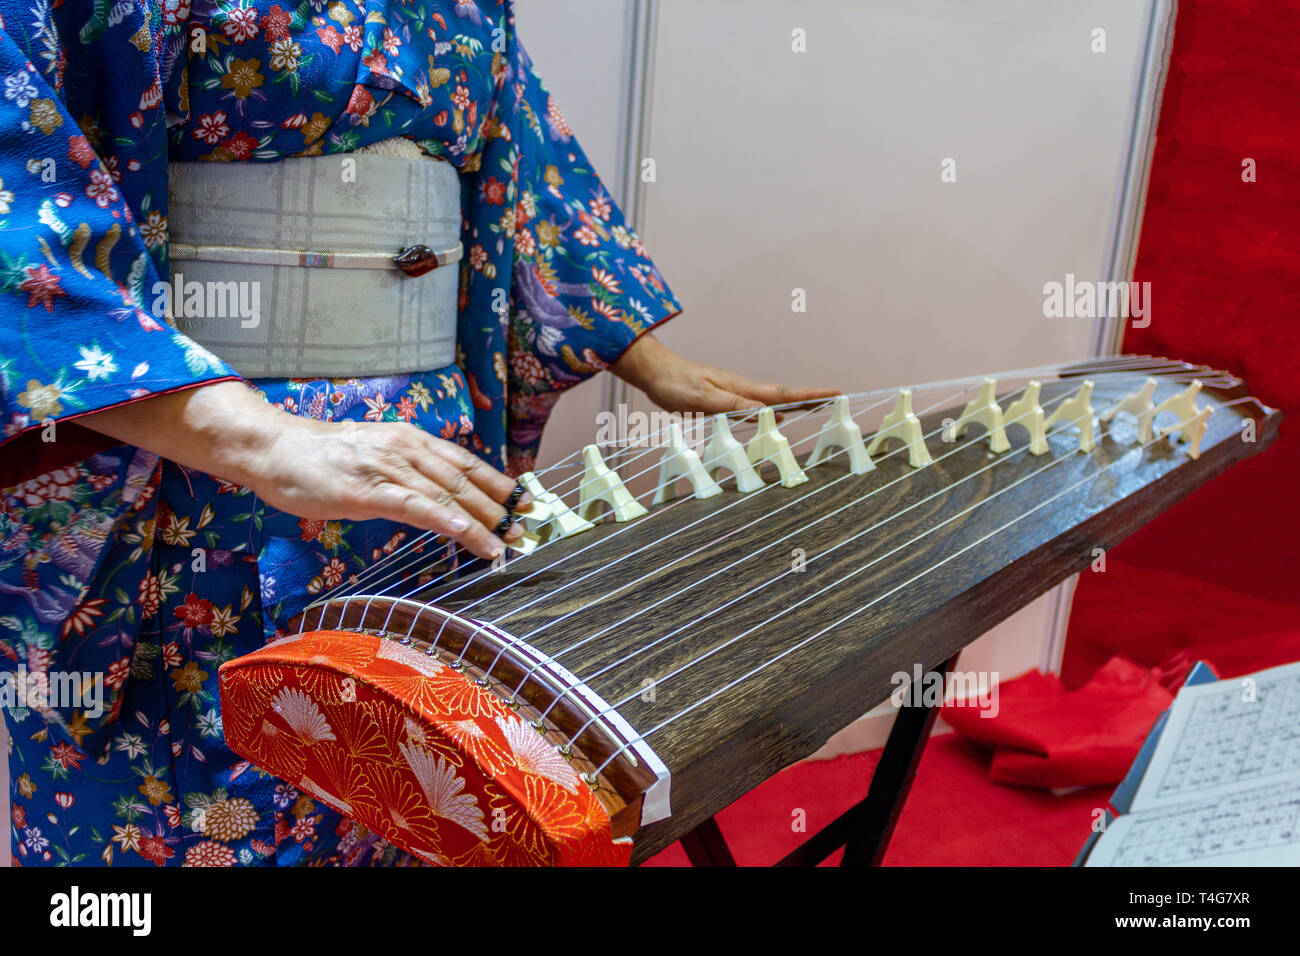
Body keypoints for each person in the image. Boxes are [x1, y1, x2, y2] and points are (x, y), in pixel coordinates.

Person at [0, 0, 834, 865]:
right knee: (214, 814)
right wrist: (261, 442)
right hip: (207, 475)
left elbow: (525, 161)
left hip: (424, 469)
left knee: (416, 793)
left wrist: (647, 357)